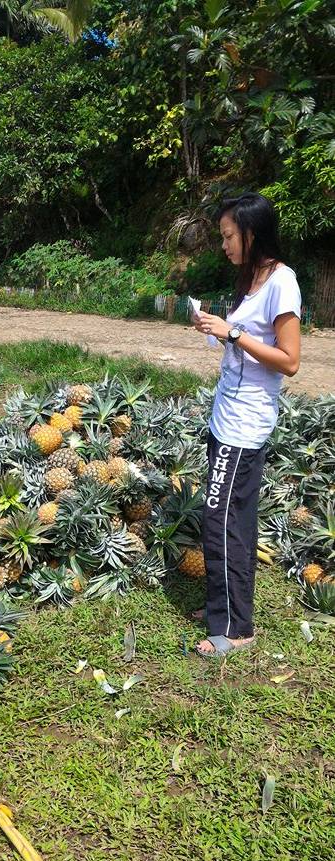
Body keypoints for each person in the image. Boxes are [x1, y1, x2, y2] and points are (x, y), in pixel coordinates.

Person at [191, 193, 301, 659]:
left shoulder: (282, 282)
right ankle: (228, 607)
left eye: (229, 236)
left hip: (245, 424)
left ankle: (235, 628)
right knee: (232, 517)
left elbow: (289, 361)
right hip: (226, 417)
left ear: (252, 234)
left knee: (221, 519)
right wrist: (218, 331)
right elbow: (246, 351)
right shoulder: (252, 279)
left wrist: (233, 332)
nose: (224, 245)